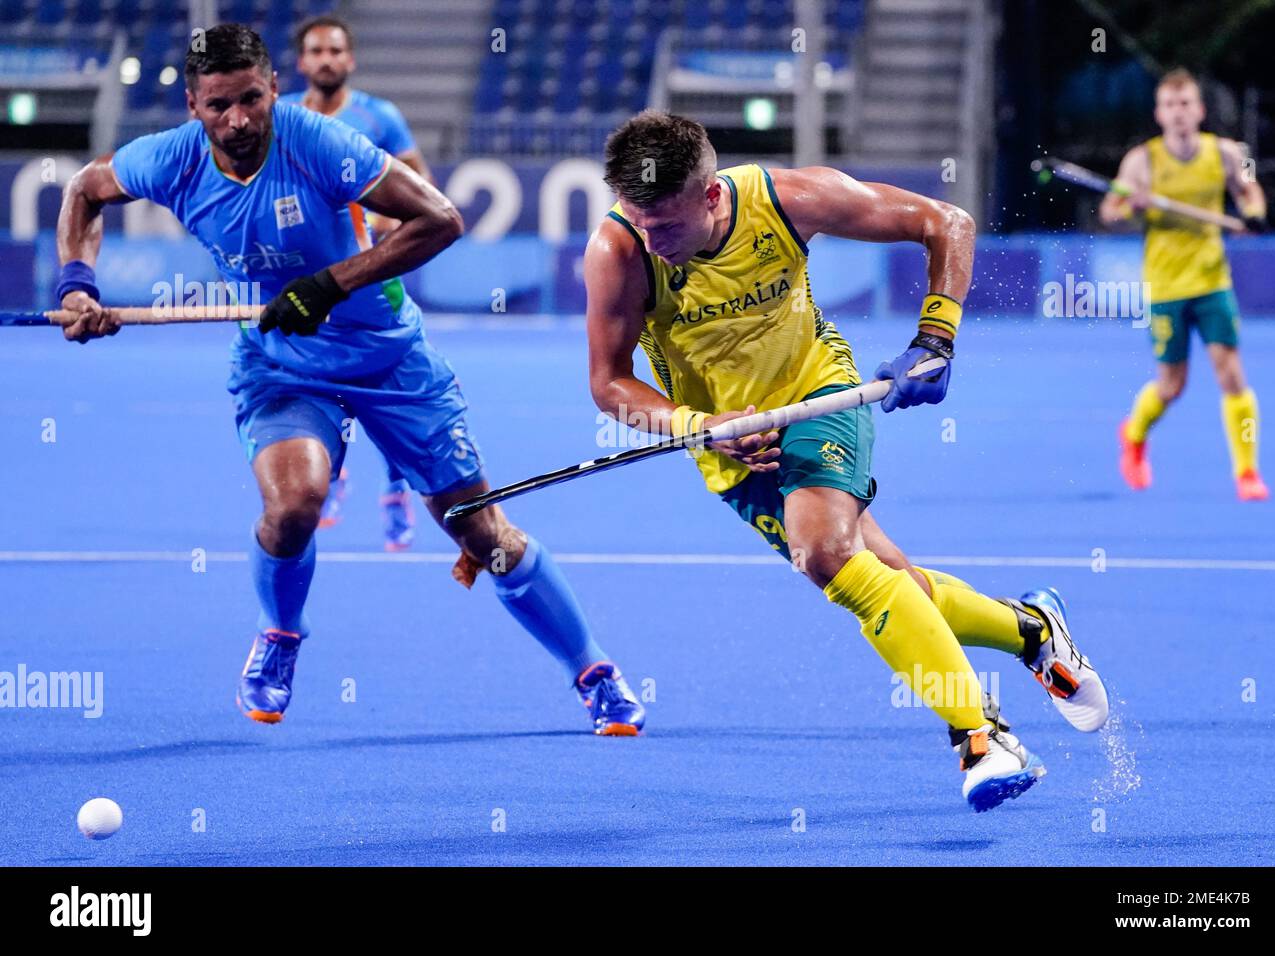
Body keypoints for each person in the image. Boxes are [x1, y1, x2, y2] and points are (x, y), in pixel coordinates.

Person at [55, 24, 645, 735]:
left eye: (250, 99)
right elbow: (86, 191)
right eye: (218, 106)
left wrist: (330, 285)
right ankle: (280, 635)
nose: (237, 120)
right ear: (192, 104)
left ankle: (593, 670)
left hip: (387, 356)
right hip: (281, 364)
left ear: (274, 87)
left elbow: (441, 218)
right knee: (294, 504)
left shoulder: (317, 142)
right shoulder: (168, 160)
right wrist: (78, 285)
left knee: (480, 532)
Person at [583, 110, 1109, 810]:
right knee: (887, 580)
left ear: (711, 196)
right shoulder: (619, 250)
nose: (655, 240)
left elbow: (947, 222)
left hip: (817, 392)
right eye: (641, 222)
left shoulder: (787, 201)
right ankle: (1032, 631)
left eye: (668, 226)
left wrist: (937, 337)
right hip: (728, 445)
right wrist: (700, 426)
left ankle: (980, 736)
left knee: (824, 551)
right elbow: (608, 382)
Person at [282, 13, 434, 549]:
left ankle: (396, 486)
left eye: (336, 51)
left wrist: (385, 228)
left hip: (372, 279)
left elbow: (421, 187)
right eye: (317, 52)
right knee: (315, 384)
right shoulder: (280, 121)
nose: (327, 60)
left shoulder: (379, 117)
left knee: (389, 387)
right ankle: (328, 469)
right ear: (301, 62)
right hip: (309, 284)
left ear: (350, 59)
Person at [1101, 68, 1270, 501]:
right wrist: (1132, 206)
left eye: (1186, 104)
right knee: (1173, 385)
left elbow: (1250, 191)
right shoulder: (1142, 162)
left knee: (1231, 374)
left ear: (1199, 110)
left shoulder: (1227, 153)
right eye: (1170, 105)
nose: (1179, 113)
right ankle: (1134, 433)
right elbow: (1110, 210)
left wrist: (1252, 214)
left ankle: (1247, 472)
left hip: (1213, 280)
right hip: (1166, 286)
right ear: (1160, 113)